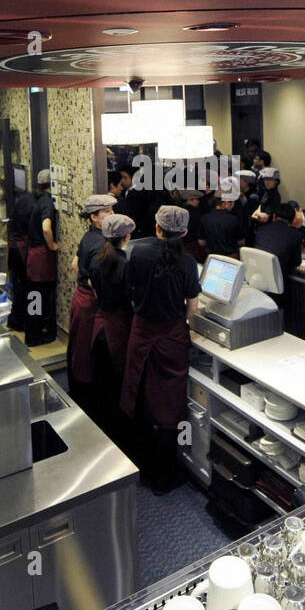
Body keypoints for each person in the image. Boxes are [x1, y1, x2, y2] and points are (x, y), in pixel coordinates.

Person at [121, 205, 201, 492]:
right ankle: (164, 478)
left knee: (138, 393)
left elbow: (130, 295)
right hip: (171, 338)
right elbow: (192, 308)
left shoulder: (138, 253)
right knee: (169, 406)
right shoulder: (188, 263)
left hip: (141, 331)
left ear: (157, 227)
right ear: (185, 232)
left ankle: (139, 465)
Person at [67, 194, 117, 407]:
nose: (112, 215)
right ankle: (87, 400)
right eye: (107, 212)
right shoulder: (100, 244)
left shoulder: (90, 236)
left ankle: (79, 392)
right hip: (90, 303)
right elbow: (96, 280)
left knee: (78, 349)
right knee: (87, 354)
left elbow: (74, 264)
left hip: (81, 298)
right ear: (94, 217)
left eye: (112, 211)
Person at [90, 213, 136, 440]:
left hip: (99, 328)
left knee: (103, 383)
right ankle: (120, 434)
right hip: (119, 330)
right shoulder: (125, 265)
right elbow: (132, 301)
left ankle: (103, 427)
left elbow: (95, 290)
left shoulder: (97, 260)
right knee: (118, 383)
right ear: (126, 237)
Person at [25, 169, 61, 346]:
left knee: (34, 294)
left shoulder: (38, 200)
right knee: (40, 295)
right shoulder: (47, 202)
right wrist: (53, 244)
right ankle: (36, 334)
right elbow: (46, 227)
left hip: (33, 255)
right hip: (41, 256)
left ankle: (32, 332)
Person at [254, 200, 305, 301]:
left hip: (256, 280)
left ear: (274, 216)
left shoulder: (261, 230)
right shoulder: (296, 236)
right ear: (292, 220)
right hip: (278, 286)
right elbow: (296, 262)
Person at [6, 181, 36, 332]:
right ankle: (22, 321)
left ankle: (15, 320)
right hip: (22, 250)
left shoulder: (24, 199)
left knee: (18, 287)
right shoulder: (34, 205)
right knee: (26, 287)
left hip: (14, 248)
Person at [199, 191, 246, 258]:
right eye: (232, 202)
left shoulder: (204, 218)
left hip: (211, 257)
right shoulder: (234, 219)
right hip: (231, 257)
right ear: (226, 202)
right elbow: (241, 242)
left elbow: (201, 242)